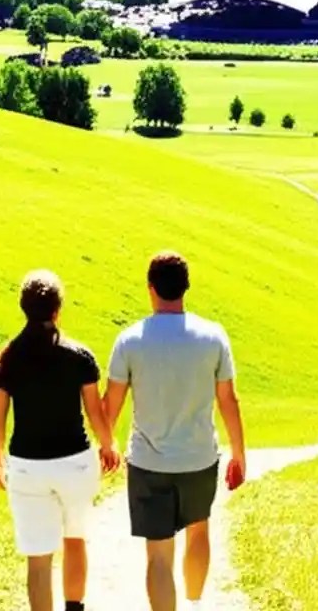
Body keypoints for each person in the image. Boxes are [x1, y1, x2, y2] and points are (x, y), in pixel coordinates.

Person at [103, 251, 247, 611]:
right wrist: (239, 453)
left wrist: (107, 445)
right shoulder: (213, 336)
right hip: (199, 458)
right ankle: (197, 604)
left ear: (150, 289)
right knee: (199, 530)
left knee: (158, 556)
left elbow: (111, 405)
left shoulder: (130, 340)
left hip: (149, 463)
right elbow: (229, 400)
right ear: (186, 288)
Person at [0, 270, 121, 611]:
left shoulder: (7, 358)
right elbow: (94, 412)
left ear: (24, 308)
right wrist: (108, 445)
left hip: (26, 467)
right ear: (57, 310)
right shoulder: (79, 356)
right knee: (75, 538)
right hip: (74, 463)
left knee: (38, 559)